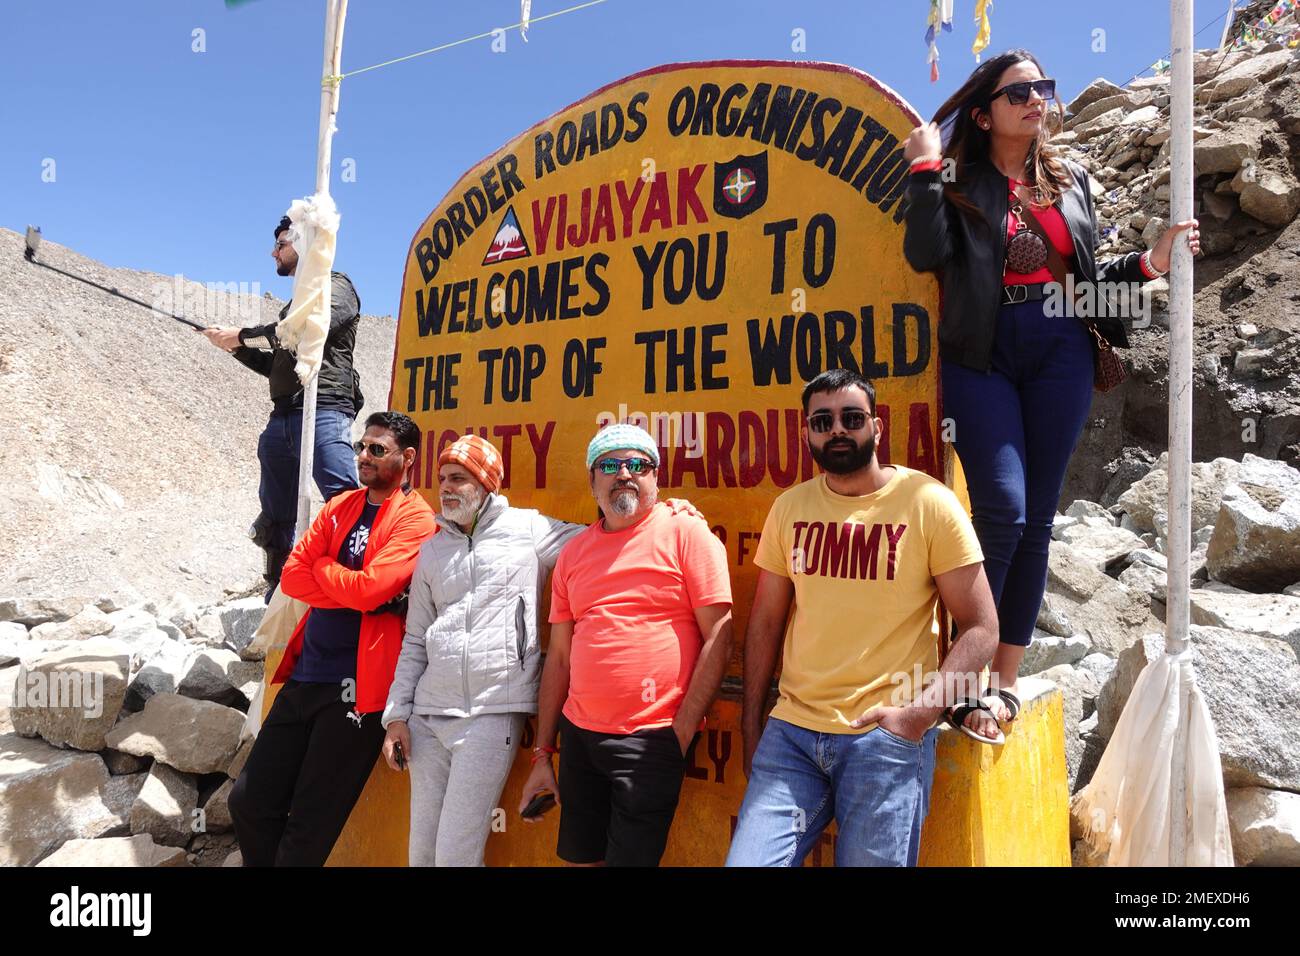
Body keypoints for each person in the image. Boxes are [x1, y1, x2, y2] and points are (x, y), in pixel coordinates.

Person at [901, 50, 1201, 738]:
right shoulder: (956, 178)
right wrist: (923, 167)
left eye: (1043, 87)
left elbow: (1089, 278)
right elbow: (923, 253)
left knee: (1037, 519)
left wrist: (1150, 262)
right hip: (982, 355)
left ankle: (1001, 682)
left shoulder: (1072, 180)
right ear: (984, 113)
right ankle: (960, 678)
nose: (1037, 98)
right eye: (1019, 92)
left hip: (1064, 350)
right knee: (1000, 510)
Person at [725, 369, 999, 867]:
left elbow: (982, 628)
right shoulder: (789, 509)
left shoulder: (927, 503)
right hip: (792, 737)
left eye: (851, 418)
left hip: (884, 738)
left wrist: (917, 718)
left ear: (876, 426)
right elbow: (764, 623)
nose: (837, 430)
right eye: (822, 420)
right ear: (805, 432)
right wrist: (751, 728)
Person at [518, 424, 733, 867]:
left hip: (652, 739)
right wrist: (544, 751)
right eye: (610, 465)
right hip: (579, 736)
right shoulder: (574, 554)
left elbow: (720, 634)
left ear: (656, 476)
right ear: (592, 480)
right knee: (580, 860)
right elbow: (559, 657)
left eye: (638, 464)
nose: (625, 474)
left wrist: (681, 731)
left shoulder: (687, 535)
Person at [228, 411, 436, 867]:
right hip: (305, 676)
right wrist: (348, 583)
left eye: (377, 449)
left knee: (309, 827)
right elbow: (293, 576)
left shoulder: (417, 520)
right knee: (247, 801)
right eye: (361, 446)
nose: (363, 456)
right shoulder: (340, 506)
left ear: (408, 458)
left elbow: (372, 590)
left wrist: (324, 569)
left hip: (357, 691)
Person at [202, 214, 365, 598]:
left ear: (304, 243)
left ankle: (355, 588)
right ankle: (278, 594)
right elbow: (276, 362)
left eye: (281, 244)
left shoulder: (335, 287)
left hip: (325, 409)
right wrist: (235, 347)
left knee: (344, 499)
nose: (273, 252)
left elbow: (306, 326)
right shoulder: (291, 308)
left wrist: (242, 335)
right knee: (275, 515)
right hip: (283, 416)